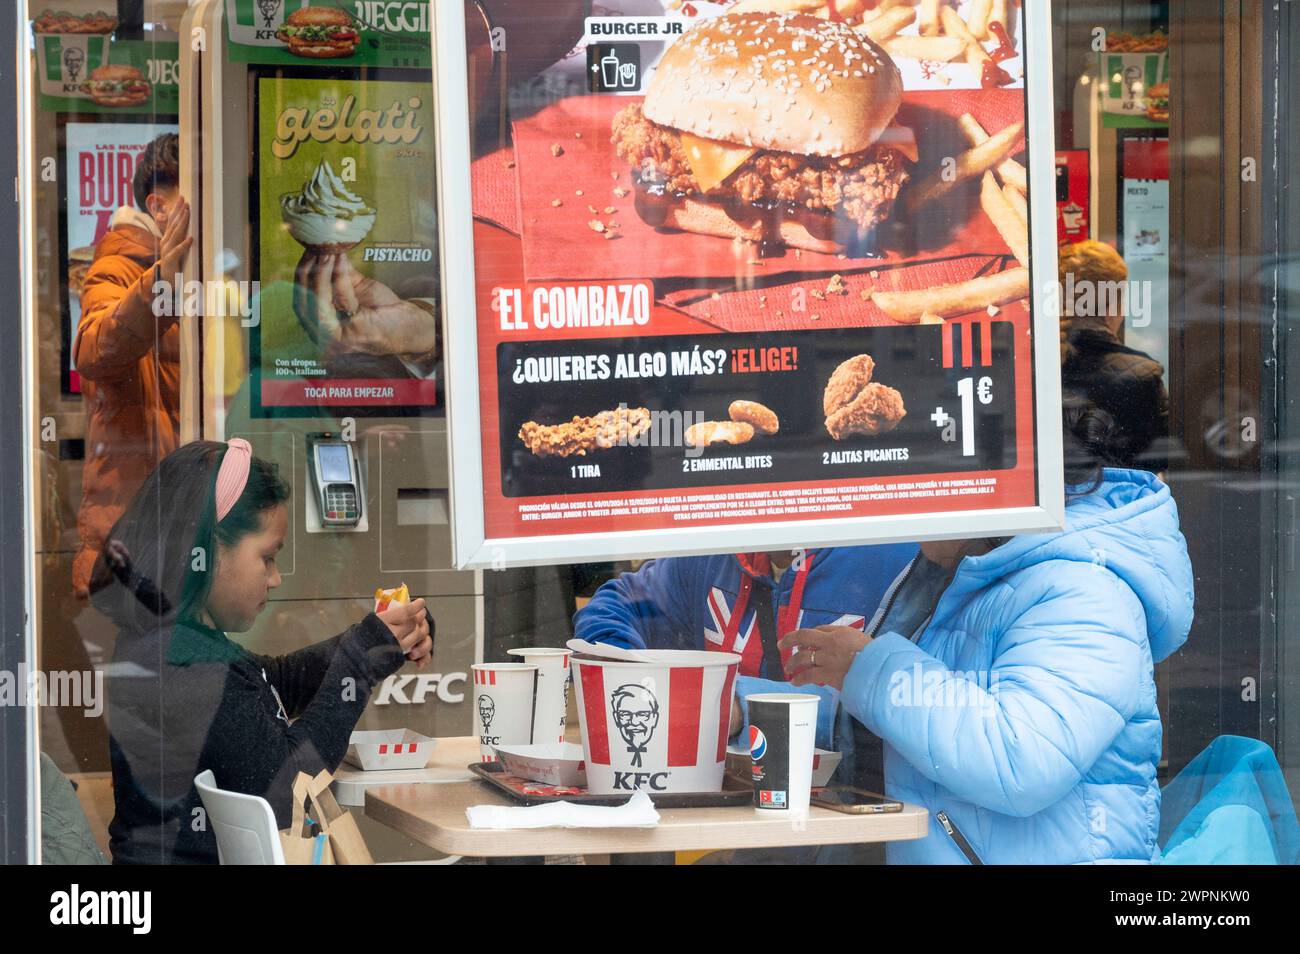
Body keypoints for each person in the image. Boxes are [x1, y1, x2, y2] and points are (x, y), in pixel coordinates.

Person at [775, 345, 1194, 864]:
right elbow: (919, 724)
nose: (911, 499)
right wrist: (750, 708)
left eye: (934, 477)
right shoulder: (972, 572)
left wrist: (872, 670)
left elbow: (1022, 757)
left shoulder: (1083, 590)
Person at [90, 439, 433, 864]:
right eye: (267, 558)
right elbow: (286, 786)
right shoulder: (180, 662)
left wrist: (383, 639)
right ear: (210, 549)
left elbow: (275, 682)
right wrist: (360, 657)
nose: (275, 579)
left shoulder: (171, 641)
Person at [574, 545, 917, 787]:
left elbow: (907, 707)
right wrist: (623, 665)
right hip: (740, 826)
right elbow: (617, 602)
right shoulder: (716, 550)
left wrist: (734, 706)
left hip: (853, 834)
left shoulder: (895, 557)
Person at [73, 132, 192, 600]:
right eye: (192, 198)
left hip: (178, 532)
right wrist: (160, 281)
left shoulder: (202, 271)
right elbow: (93, 350)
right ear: (159, 207)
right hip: (135, 546)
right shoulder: (117, 265)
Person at [1058, 239, 1171, 471]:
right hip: (1122, 505)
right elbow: (1159, 461)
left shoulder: (1031, 364)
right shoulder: (1143, 376)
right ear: (1114, 306)